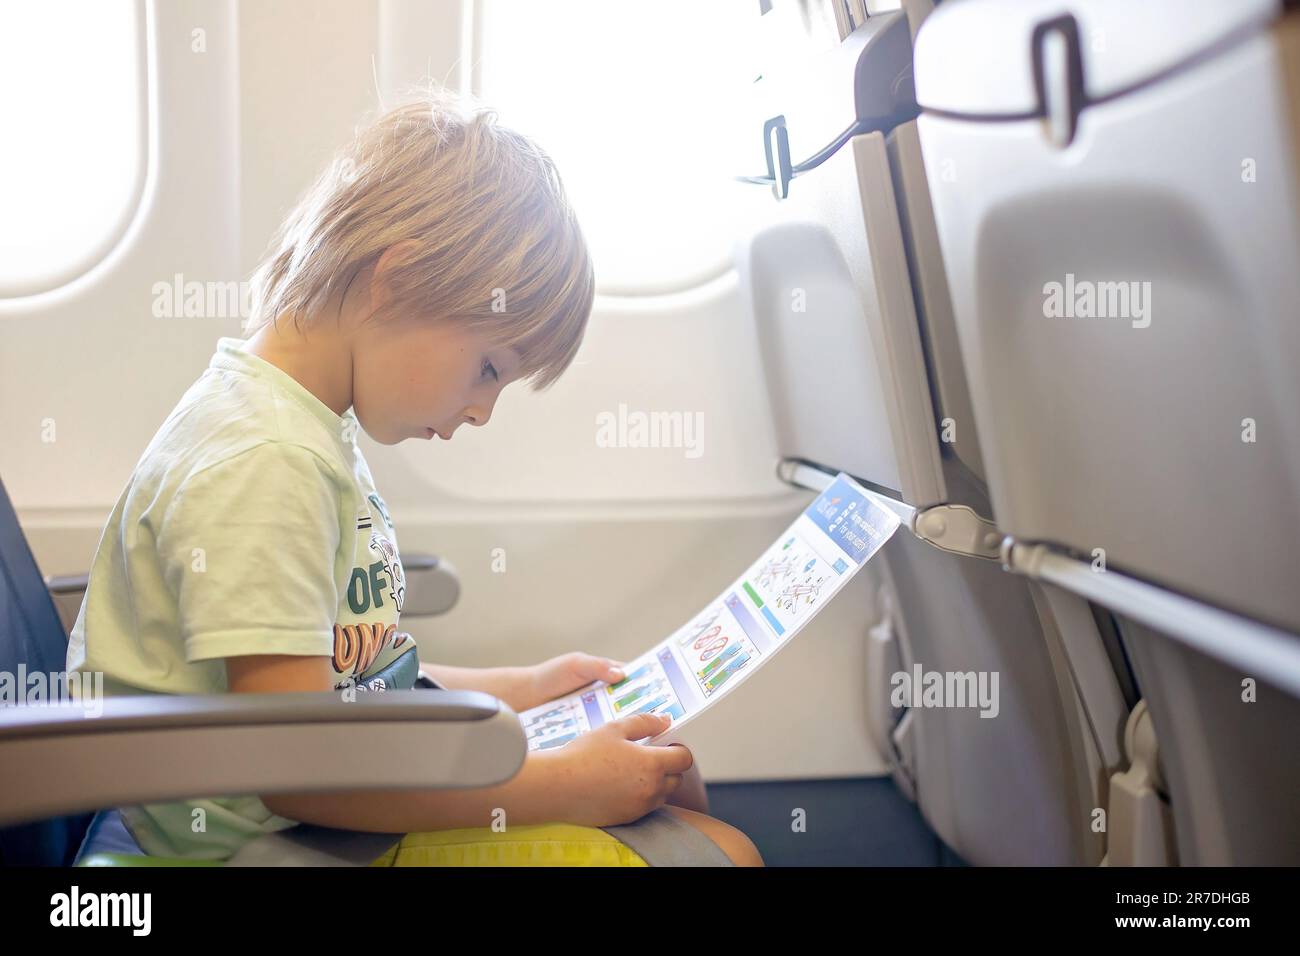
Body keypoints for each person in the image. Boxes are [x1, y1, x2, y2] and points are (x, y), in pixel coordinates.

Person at [67, 90, 761, 867]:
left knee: (678, 790)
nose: (483, 411)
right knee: (721, 853)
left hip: (312, 810)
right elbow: (295, 775)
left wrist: (522, 686)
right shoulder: (264, 463)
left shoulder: (302, 429)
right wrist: (561, 785)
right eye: (489, 368)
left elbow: (347, 677)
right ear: (397, 280)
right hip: (260, 846)